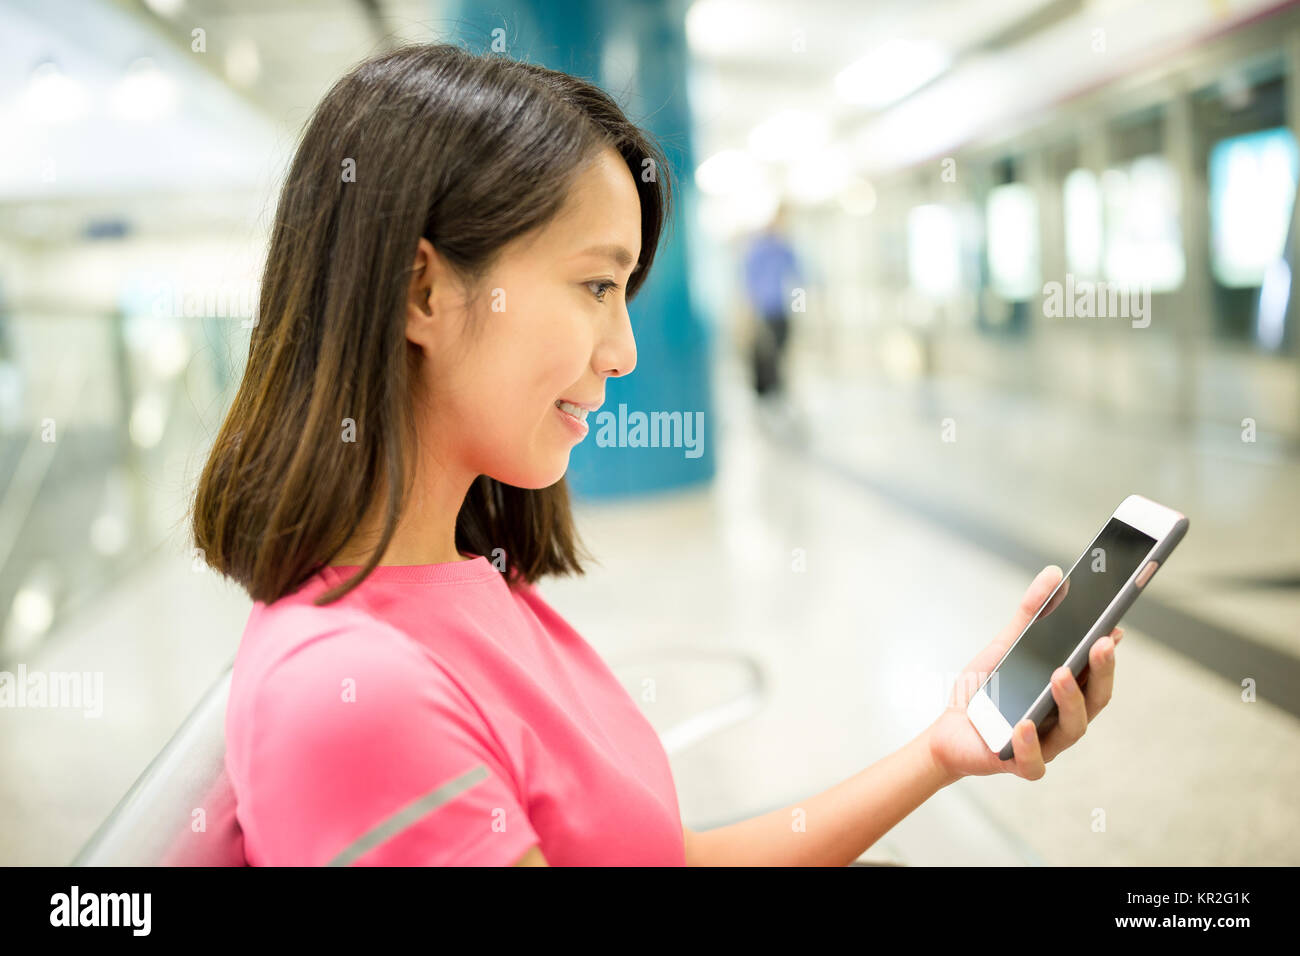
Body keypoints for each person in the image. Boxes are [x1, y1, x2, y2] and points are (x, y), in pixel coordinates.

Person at [191, 42, 1123, 867]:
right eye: (596, 283)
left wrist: (937, 752)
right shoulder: (354, 701)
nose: (626, 351)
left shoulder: (471, 584)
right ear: (420, 292)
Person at [742, 203, 802, 400]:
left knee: (779, 351)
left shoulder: (785, 249)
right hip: (762, 311)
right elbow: (749, 282)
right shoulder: (759, 249)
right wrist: (750, 313)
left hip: (781, 310)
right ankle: (765, 394)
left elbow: (797, 278)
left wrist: (798, 308)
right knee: (765, 353)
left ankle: (776, 391)